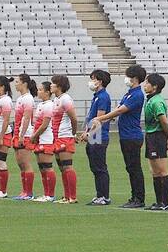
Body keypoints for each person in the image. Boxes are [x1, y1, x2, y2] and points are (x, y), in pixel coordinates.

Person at [91, 64, 148, 209]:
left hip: (132, 135)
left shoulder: (137, 94)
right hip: (125, 135)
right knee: (130, 168)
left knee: (134, 168)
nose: (126, 78)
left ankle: (139, 198)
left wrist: (102, 119)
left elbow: (120, 110)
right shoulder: (129, 93)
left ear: (135, 78)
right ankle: (134, 196)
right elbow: (118, 110)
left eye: (128, 76)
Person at [81, 69, 112, 206]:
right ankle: (99, 194)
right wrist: (86, 131)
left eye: (93, 79)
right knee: (95, 167)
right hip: (94, 136)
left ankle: (104, 196)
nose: (91, 81)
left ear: (100, 81)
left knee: (100, 167)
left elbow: (99, 119)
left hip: (99, 136)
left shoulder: (103, 97)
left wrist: (89, 133)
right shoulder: (97, 96)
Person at [142, 73, 168, 211]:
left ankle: (164, 203)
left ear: (154, 87)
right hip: (150, 135)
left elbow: (164, 121)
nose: (144, 85)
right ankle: (158, 201)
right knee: (154, 171)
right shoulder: (149, 100)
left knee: (162, 170)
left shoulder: (156, 101)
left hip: (157, 136)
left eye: (147, 83)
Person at [49, 75, 79, 205]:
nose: (50, 86)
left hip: (65, 136)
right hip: (57, 137)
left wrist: (72, 133)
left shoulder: (66, 99)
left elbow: (74, 118)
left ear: (59, 86)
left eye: (53, 84)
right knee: (62, 167)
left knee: (67, 166)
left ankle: (72, 196)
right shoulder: (57, 99)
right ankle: (66, 196)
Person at [28, 80, 57, 203]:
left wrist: (34, 135)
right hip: (39, 139)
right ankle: (46, 193)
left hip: (46, 139)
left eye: (40, 90)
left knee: (48, 167)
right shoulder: (41, 105)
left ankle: (50, 194)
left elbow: (45, 124)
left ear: (47, 92)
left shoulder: (50, 105)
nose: (38, 92)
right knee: (42, 167)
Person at [11, 74, 38, 201]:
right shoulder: (21, 98)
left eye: (17, 82)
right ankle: (24, 191)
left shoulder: (28, 99)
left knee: (26, 163)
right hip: (19, 134)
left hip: (26, 134)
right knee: (21, 164)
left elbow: (27, 118)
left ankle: (29, 192)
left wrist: (21, 135)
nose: (15, 84)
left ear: (24, 83)